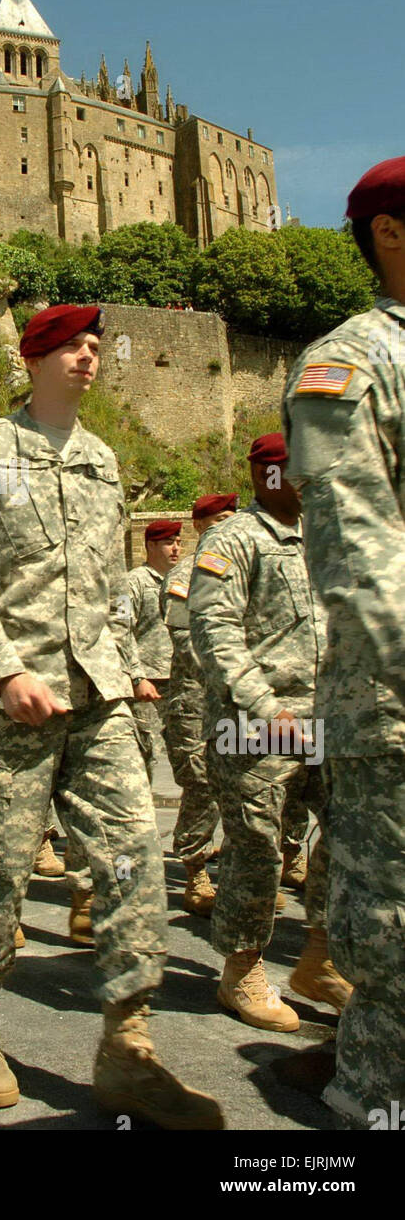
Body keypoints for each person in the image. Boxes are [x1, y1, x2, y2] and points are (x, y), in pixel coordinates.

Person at [0, 303, 222, 1127]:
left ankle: (128, 1045)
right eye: (71, 346)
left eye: (96, 346)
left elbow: (103, 588)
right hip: (9, 699)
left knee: (133, 854)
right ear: (34, 358)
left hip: (97, 695)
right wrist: (4, 668)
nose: (89, 358)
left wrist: (127, 670)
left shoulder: (102, 459)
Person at [282, 154, 405, 1126]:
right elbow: (356, 549)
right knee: (396, 946)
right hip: (392, 709)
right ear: (387, 236)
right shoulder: (345, 364)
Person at [187, 434, 350, 1031]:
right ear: (266, 476)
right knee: (259, 848)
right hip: (254, 728)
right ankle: (243, 969)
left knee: (352, 833)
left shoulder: (325, 542)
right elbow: (213, 630)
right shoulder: (234, 539)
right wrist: (265, 707)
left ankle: (320, 957)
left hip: (328, 720)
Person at [160, 493, 237, 915]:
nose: (227, 527)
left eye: (232, 518)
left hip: (240, 702)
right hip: (195, 700)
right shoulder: (185, 575)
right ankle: (195, 869)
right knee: (202, 785)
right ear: (199, 527)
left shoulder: (242, 570)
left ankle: (247, 870)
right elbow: (183, 636)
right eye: (218, 520)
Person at [124, 519, 182, 785]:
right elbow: (121, 630)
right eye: (169, 543)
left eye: (179, 542)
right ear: (150, 546)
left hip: (180, 682)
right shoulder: (133, 583)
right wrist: (136, 677)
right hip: (147, 686)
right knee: (143, 754)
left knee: (190, 758)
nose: (176, 549)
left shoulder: (181, 580)